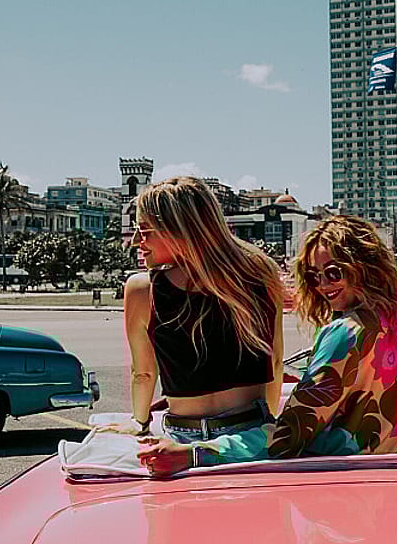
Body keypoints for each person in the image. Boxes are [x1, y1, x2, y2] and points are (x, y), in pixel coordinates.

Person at [137, 214, 397, 475]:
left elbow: (290, 433)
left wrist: (194, 453)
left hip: (348, 482)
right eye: (313, 277)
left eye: (333, 272)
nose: (323, 285)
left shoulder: (345, 334)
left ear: (364, 266)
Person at [104, 176, 285, 446]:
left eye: (144, 231)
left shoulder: (143, 289)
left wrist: (138, 422)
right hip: (252, 430)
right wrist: (266, 426)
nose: (136, 241)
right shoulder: (261, 274)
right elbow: (276, 361)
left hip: (184, 436)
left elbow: (143, 373)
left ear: (178, 230)